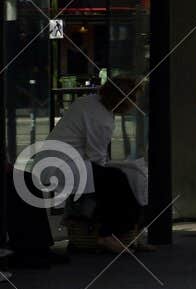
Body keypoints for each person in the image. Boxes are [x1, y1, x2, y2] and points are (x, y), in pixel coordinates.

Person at [6, 77, 146, 262]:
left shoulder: (88, 102)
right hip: (64, 166)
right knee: (116, 179)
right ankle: (111, 233)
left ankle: (121, 233)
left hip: (57, 162)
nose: (134, 104)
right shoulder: (101, 119)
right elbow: (97, 157)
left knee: (114, 177)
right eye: (133, 99)